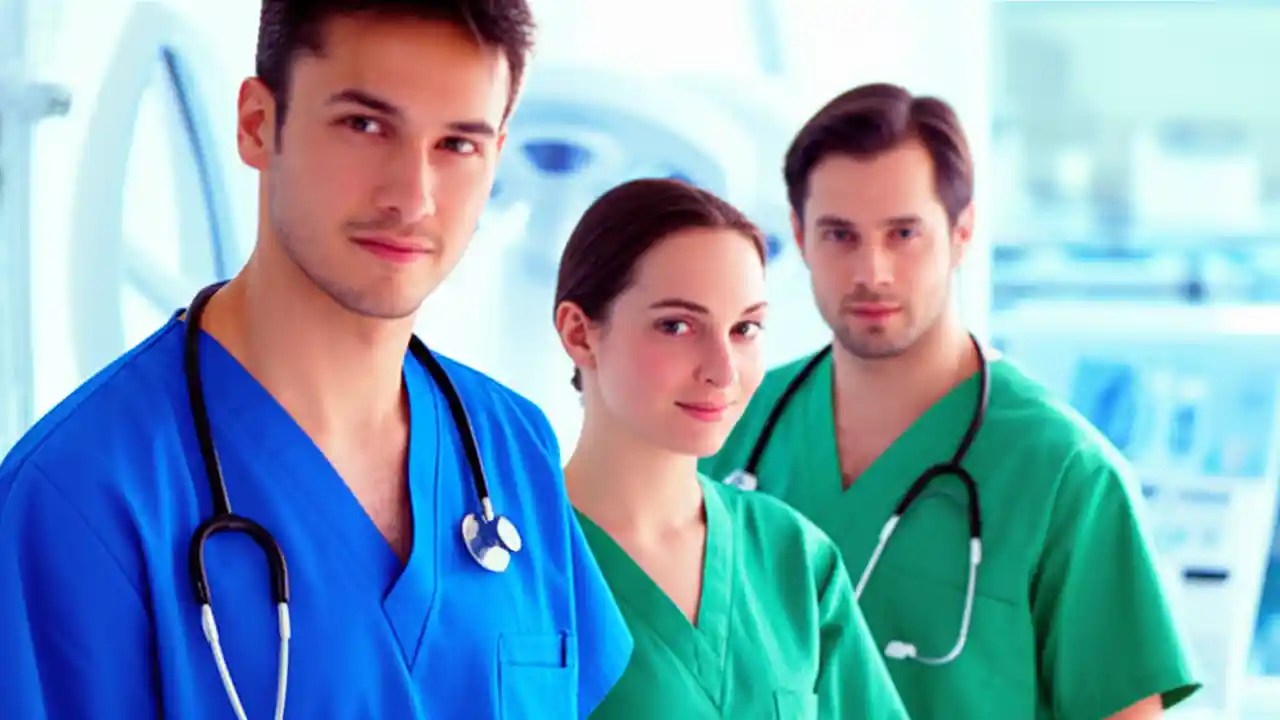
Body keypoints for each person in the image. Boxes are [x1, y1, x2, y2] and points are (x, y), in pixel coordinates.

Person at [0, 2, 632, 718]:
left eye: (458, 144)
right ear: (257, 124)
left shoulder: (512, 449)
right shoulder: (80, 497)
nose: (413, 198)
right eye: (365, 125)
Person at [699, 83, 1201, 719]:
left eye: (903, 233)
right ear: (799, 236)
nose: (871, 271)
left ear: (963, 233)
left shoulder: (1064, 474)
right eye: (840, 235)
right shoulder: (728, 425)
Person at [552, 177, 908, 719]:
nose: (723, 371)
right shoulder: (518, 562)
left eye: (745, 329)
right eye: (676, 326)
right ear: (580, 333)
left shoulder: (792, 557)